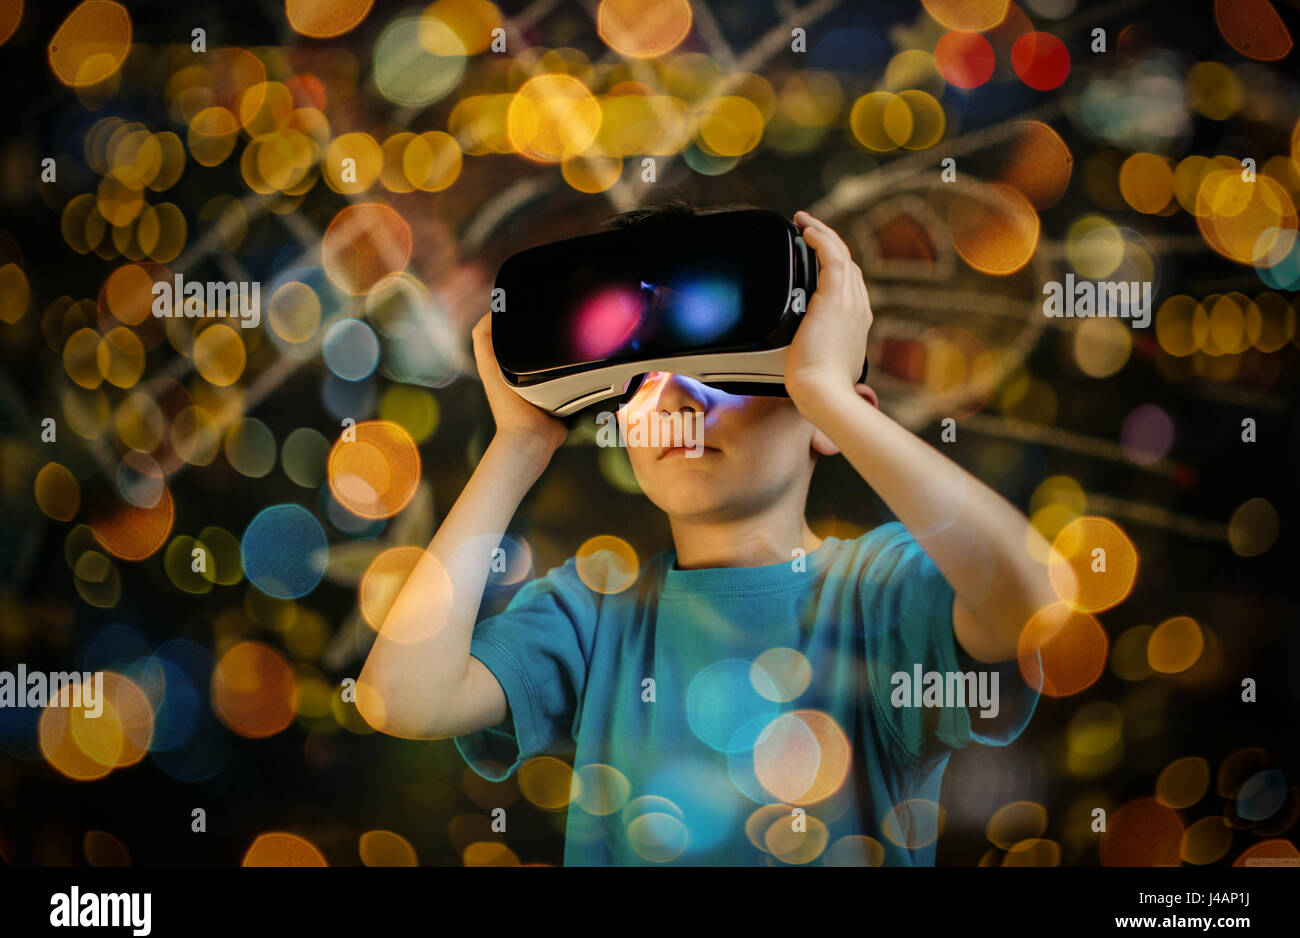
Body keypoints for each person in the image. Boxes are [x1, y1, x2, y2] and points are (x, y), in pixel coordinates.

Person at [356, 202, 1068, 865]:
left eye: (724, 374)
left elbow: (1028, 601)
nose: (679, 401)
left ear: (830, 419)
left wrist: (826, 389)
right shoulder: (592, 614)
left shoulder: (879, 597)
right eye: (642, 383)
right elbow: (403, 698)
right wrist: (518, 446)